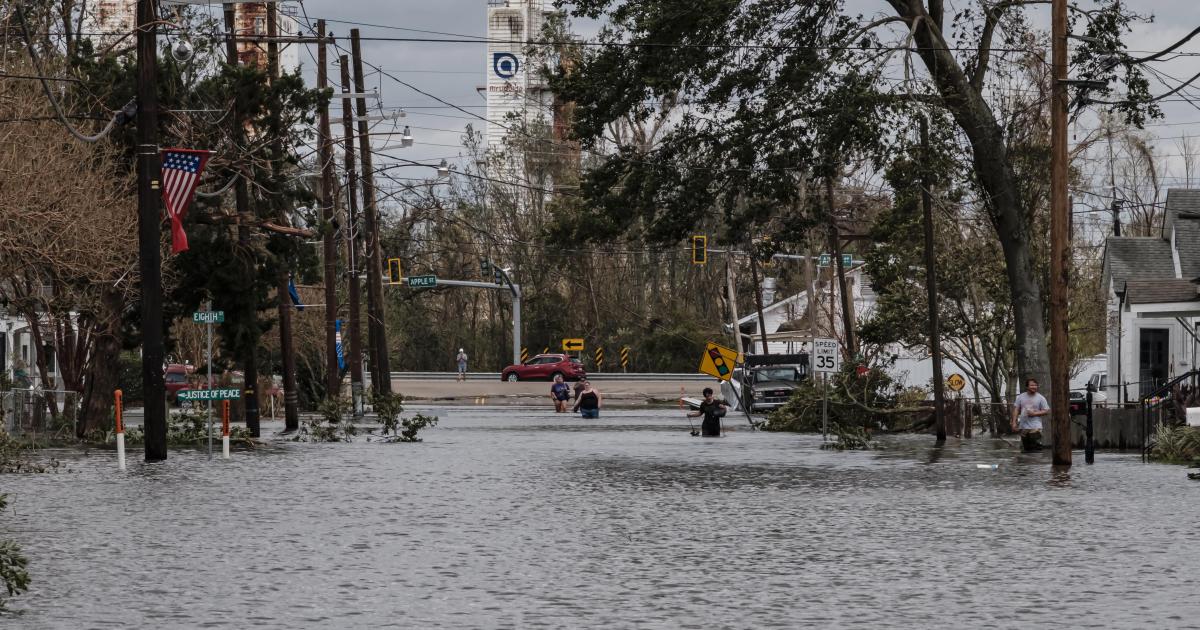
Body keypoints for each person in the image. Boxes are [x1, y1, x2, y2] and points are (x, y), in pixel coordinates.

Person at [1011, 377, 1049, 451]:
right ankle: (1027, 462)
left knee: (1034, 446)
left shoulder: (1041, 398)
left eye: (1035, 385)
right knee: (1026, 448)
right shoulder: (1021, 397)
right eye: (1032, 385)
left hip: (1035, 426)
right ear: (1027, 387)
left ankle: (1037, 461)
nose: (1034, 387)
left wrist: (1034, 414)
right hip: (1023, 426)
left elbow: (1046, 411)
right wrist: (1014, 422)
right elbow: (1016, 409)